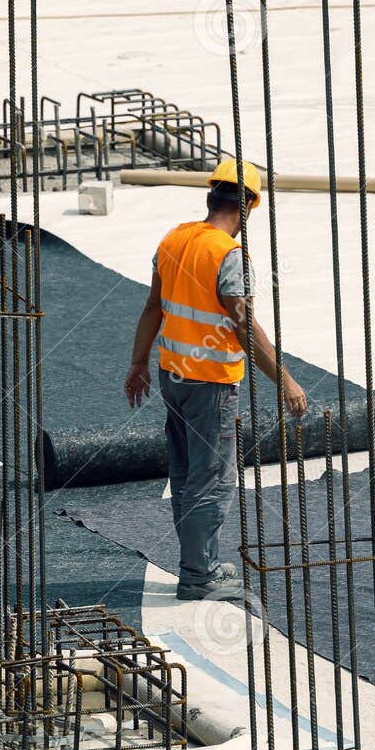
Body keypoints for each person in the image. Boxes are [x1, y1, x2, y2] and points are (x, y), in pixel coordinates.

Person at [124, 159, 308, 600]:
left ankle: (199, 564)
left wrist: (138, 363)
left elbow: (154, 306)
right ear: (247, 206)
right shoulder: (229, 255)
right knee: (214, 479)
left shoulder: (174, 238)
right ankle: (198, 575)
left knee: (187, 473)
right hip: (210, 383)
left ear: (210, 197)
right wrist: (285, 380)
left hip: (174, 376)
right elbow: (243, 322)